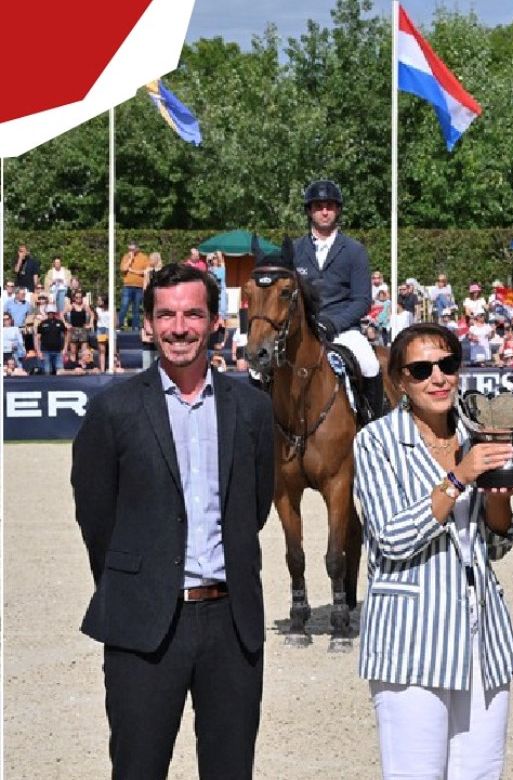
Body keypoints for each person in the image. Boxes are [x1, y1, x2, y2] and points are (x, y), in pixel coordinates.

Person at [71, 262, 275, 779]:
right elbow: (97, 519)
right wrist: (142, 581)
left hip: (232, 626)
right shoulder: (112, 411)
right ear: (148, 324)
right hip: (143, 625)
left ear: (214, 323)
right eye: (166, 315)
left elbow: (254, 509)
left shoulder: (251, 409)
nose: (179, 327)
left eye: (192, 314)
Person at [353, 323, 513, 779]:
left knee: (480, 774)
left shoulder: (477, 434)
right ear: (399, 381)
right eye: (421, 368)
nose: (438, 377)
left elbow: (497, 544)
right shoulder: (375, 442)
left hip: (481, 638)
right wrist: (459, 478)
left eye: (448, 364)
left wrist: (499, 494)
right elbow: (391, 537)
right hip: (412, 640)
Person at [292, 179, 386, 420]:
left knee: (370, 365)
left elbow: (362, 300)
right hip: (303, 330)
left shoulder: (354, 250)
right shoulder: (294, 250)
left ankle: (370, 425)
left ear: (337, 210)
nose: (324, 211)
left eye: (330, 206)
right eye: (319, 206)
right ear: (309, 211)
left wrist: (333, 324)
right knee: (259, 370)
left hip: (343, 329)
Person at [35, 304, 68, 375]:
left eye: (52, 312)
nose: (51, 314)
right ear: (47, 313)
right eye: (49, 313)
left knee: (60, 372)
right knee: (47, 371)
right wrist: (38, 351)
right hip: (45, 351)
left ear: (55, 313)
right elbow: (37, 338)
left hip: (58, 351)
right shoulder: (42, 323)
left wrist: (65, 348)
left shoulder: (60, 323)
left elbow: (66, 335)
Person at [65, 289, 93, 363]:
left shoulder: (85, 306)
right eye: (76, 297)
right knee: (73, 351)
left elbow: (92, 314)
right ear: (74, 298)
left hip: (83, 330)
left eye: (80, 297)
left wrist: (90, 324)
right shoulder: (71, 306)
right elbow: (62, 314)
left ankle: (84, 366)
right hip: (73, 330)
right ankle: (73, 365)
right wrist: (66, 323)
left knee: (84, 352)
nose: (78, 299)